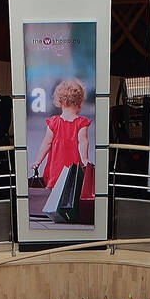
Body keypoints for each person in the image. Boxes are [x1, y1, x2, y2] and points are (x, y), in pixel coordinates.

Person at [31, 78, 91, 219]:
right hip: (73, 164)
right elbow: (83, 141)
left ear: (59, 102)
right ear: (80, 102)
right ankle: (69, 212)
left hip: (56, 164)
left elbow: (46, 143)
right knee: (72, 188)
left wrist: (38, 161)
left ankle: (52, 210)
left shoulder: (54, 122)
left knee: (54, 188)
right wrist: (85, 159)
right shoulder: (81, 123)